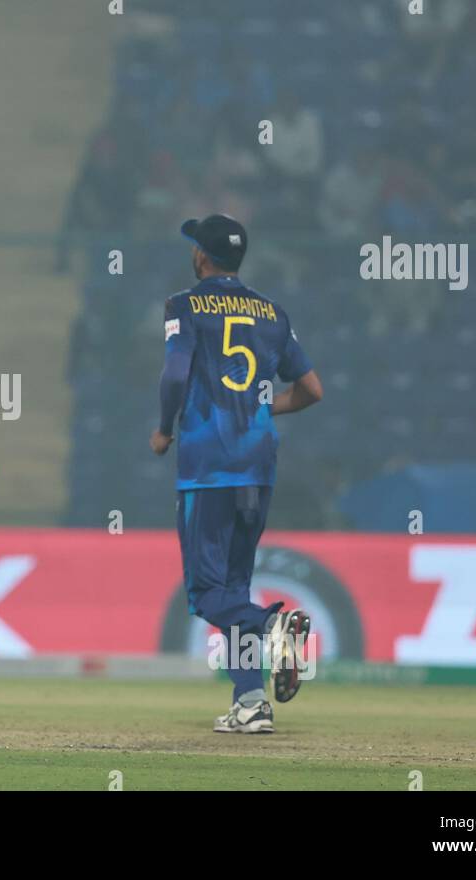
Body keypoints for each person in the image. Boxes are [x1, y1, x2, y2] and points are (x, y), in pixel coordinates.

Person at [150, 214, 322, 733]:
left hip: (209, 465)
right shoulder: (273, 312)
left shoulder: (185, 305)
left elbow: (176, 371)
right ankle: (250, 700)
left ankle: (274, 625)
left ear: (201, 257)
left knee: (207, 595)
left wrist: (164, 428)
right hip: (258, 465)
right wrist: (265, 408)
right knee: (233, 589)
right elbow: (312, 388)